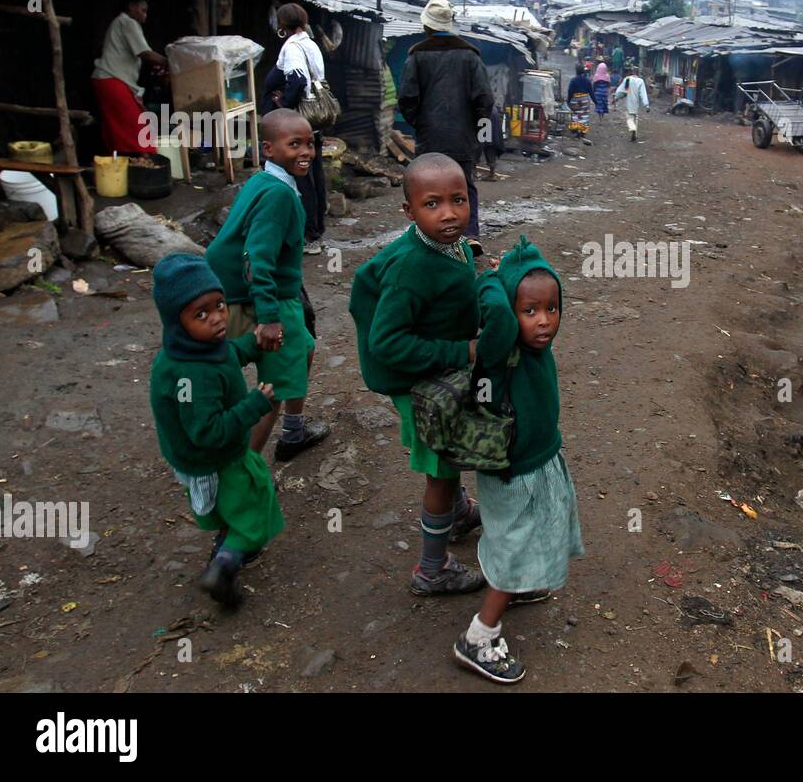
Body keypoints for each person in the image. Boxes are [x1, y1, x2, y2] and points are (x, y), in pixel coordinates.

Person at [348, 154, 487, 597]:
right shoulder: (411, 268)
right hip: (417, 380)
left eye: (458, 200)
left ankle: (460, 512)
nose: (449, 213)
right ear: (409, 211)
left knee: (450, 447)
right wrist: (459, 350)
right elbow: (386, 342)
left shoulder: (453, 245)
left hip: (437, 371)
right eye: (433, 204)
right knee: (440, 469)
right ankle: (432, 568)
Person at [454, 235, 582, 683]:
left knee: (529, 536)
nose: (543, 322)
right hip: (513, 471)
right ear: (511, 314)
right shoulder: (501, 349)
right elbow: (496, 314)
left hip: (538, 462)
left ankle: (520, 586)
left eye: (552, 308)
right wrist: (487, 274)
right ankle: (479, 636)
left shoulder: (535, 347)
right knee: (513, 548)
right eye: (529, 311)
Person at [148, 253, 284, 607]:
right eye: (201, 314)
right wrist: (253, 406)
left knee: (229, 506)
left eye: (220, 305)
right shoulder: (192, 375)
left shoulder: (192, 348)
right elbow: (206, 431)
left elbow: (225, 354)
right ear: (176, 320)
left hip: (198, 457)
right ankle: (225, 564)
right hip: (218, 456)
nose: (218, 318)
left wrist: (250, 345)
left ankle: (223, 547)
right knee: (256, 502)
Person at [205, 109, 331, 462]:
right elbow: (256, 257)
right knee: (270, 390)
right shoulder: (278, 195)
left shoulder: (265, 181)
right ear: (269, 149)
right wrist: (269, 316)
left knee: (303, 346)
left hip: (236, 290)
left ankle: (294, 430)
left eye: (310, 144)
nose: (306, 152)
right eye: (295, 144)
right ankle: (245, 473)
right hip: (256, 296)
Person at [397, 0, 494, 252]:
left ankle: (429, 236)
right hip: (464, 137)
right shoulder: (470, 56)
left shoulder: (416, 56)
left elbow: (407, 99)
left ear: (427, 26)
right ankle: (470, 234)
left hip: (429, 137)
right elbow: (485, 99)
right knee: (464, 184)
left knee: (427, 186)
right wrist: (480, 134)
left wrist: (419, 123)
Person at [261, 3, 328, 255]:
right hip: (312, 119)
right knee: (314, 173)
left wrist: (282, 105)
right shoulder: (310, 43)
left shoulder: (292, 47)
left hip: (296, 123)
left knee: (302, 178)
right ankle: (317, 228)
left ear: (282, 25)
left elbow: (298, 80)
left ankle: (311, 233)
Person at [91, 0, 167, 155]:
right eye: (143, 10)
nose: (145, 15)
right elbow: (145, 53)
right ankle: (144, 161)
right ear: (132, 7)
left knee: (117, 126)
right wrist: (171, 62)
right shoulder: (127, 22)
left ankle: (120, 162)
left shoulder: (119, 23)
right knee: (137, 125)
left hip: (106, 80)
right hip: (112, 80)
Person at [613, 71, 651, 142]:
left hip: (629, 102)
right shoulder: (640, 81)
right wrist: (646, 105)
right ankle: (635, 134)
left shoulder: (627, 79)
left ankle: (632, 129)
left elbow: (622, 91)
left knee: (629, 118)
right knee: (635, 117)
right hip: (636, 103)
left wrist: (615, 98)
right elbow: (643, 93)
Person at [566, 62, 593, 138]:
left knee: (575, 115)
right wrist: (594, 101)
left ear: (576, 71)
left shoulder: (573, 80)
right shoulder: (587, 80)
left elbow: (570, 92)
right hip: (584, 101)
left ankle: (575, 129)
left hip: (575, 101)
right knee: (584, 116)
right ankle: (582, 131)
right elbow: (591, 91)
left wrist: (568, 101)